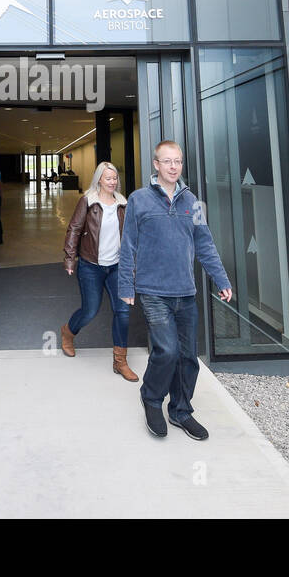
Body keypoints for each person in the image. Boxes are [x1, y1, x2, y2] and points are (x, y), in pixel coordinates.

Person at [118, 140, 233, 440]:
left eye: (178, 161)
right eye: (167, 161)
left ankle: (181, 411)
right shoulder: (139, 200)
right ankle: (152, 398)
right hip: (153, 291)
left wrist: (221, 280)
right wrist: (125, 285)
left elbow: (204, 244)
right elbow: (128, 246)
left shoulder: (191, 202)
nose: (173, 167)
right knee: (166, 351)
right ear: (155, 164)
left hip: (185, 292)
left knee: (187, 357)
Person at [58, 161, 138, 382]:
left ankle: (120, 361)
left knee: (122, 311)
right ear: (99, 180)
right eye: (108, 178)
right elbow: (74, 228)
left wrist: (132, 264)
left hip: (117, 267)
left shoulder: (123, 203)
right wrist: (69, 258)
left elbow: (131, 235)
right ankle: (68, 331)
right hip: (91, 265)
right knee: (90, 310)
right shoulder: (88, 201)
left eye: (115, 178)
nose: (112, 182)